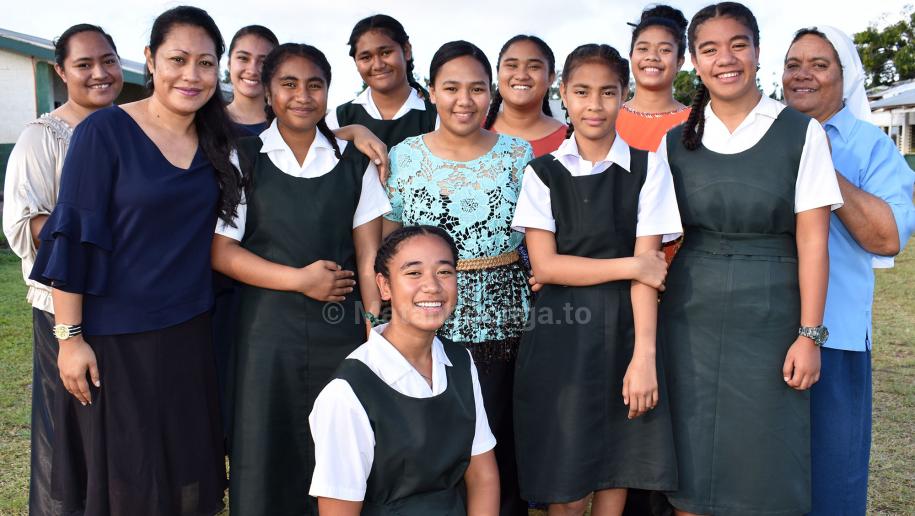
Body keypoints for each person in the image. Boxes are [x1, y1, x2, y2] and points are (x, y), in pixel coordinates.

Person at [28, 6, 237, 514]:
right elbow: (73, 237)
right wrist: (69, 339)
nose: (192, 75)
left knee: (186, 475)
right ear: (149, 60)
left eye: (206, 63)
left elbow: (288, 134)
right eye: (178, 59)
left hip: (190, 335)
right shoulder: (104, 132)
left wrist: (349, 134)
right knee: (128, 480)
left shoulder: (219, 139)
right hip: (115, 343)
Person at [659, 3, 843, 515]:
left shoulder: (800, 133)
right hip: (690, 317)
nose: (726, 58)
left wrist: (809, 336)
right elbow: (652, 242)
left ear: (758, 52)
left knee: (767, 462)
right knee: (692, 467)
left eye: (738, 44)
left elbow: (813, 242)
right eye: (710, 48)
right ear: (694, 60)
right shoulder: (674, 142)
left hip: (772, 319)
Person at [211, 43, 389, 516]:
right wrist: (299, 280)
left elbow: (369, 253)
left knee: (339, 447)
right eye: (288, 84)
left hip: (341, 328)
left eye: (315, 84)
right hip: (265, 331)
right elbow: (223, 252)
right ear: (269, 92)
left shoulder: (354, 163)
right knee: (267, 447)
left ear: (329, 92)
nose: (302, 95)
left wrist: (376, 327)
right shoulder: (242, 158)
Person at [512, 43, 681, 516]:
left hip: (628, 329)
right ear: (562, 93)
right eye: (582, 91)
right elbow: (545, 266)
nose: (594, 104)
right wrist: (630, 264)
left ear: (624, 95)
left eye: (608, 92)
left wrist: (643, 357)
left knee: (616, 471)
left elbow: (649, 275)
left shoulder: (649, 168)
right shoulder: (542, 173)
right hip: (561, 334)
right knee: (565, 483)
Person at [383, 40, 533, 516]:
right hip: (424, 318)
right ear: (430, 92)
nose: (463, 100)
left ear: (492, 94)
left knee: (497, 436)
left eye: (476, 88)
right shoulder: (403, 157)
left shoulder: (518, 154)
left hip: (502, 320)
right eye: (451, 87)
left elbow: (537, 236)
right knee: (430, 436)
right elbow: (389, 242)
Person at [783, 26, 915, 515]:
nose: (803, 74)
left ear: (846, 76)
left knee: (832, 480)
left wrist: (820, 167)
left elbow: (888, 236)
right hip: (757, 331)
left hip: (832, 339)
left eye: (820, 64)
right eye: (793, 63)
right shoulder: (763, 133)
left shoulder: (869, 145)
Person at [2, 23, 123, 516]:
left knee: (121, 426)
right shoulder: (44, 136)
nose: (100, 73)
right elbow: (23, 221)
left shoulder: (137, 127)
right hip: (65, 308)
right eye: (84, 64)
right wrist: (96, 230)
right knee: (71, 428)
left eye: (108, 61)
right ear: (60, 71)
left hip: (129, 303)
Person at [309, 225, 500, 515]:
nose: (432, 286)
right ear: (384, 286)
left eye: (444, 272)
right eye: (413, 273)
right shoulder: (347, 393)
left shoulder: (460, 362)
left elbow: (483, 477)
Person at [327, 14, 437, 149]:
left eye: (385, 53)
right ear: (356, 62)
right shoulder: (339, 119)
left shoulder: (437, 115)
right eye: (366, 57)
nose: (378, 65)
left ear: (406, 50)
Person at [616, 5, 691, 153]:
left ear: (679, 62)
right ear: (631, 56)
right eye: (643, 48)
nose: (652, 57)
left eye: (665, 50)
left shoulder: (696, 122)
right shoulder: (607, 116)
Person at [483, 35, 566, 158]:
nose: (521, 76)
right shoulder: (471, 130)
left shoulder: (570, 141)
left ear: (551, 77)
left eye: (534, 67)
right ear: (498, 73)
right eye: (512, 65)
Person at [225, 25, 279, 135]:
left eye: (263, 62)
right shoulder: (204, 123)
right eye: (243, 58)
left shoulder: (289, 129)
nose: (253, 70)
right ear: (229, 63)